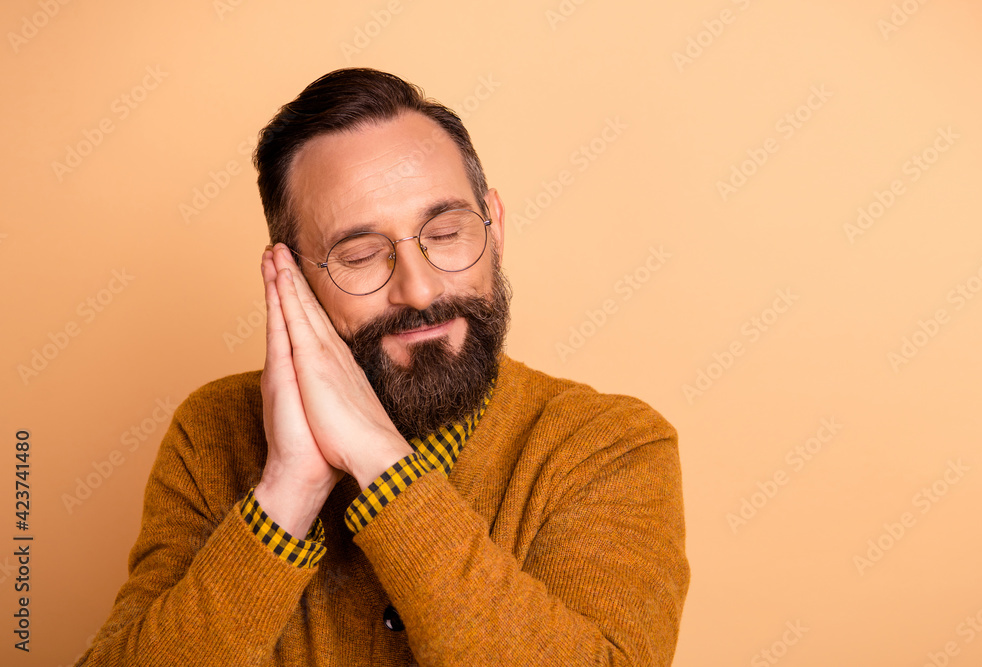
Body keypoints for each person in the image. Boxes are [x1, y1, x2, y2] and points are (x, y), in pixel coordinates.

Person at [76, 67, 689, 666]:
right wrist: (289, 491)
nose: (419, 290)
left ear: (495, 228)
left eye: (445, 234)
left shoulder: (609, 444)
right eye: (362, 255)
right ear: (290, 277)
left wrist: (382, 465)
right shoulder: (211, 431)